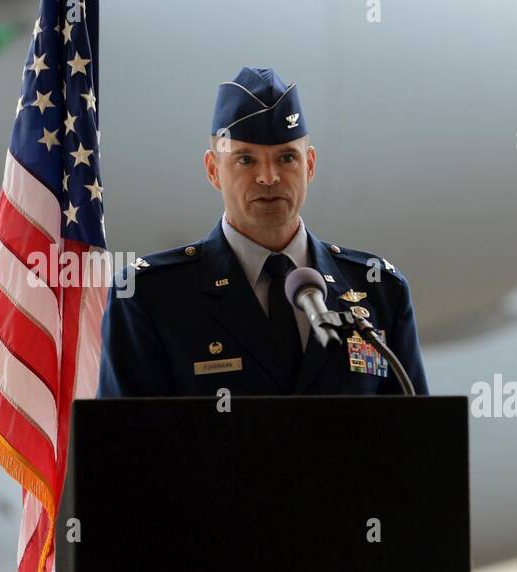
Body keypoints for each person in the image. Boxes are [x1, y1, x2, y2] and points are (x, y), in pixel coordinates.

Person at [97, 66, 428, 398]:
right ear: (214, 171)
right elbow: (126, 444)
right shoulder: (151, 297)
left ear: (309, 166)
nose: (268, 177)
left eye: (286, 158)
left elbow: (417, 437)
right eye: (245, 160)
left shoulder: (379, 290)